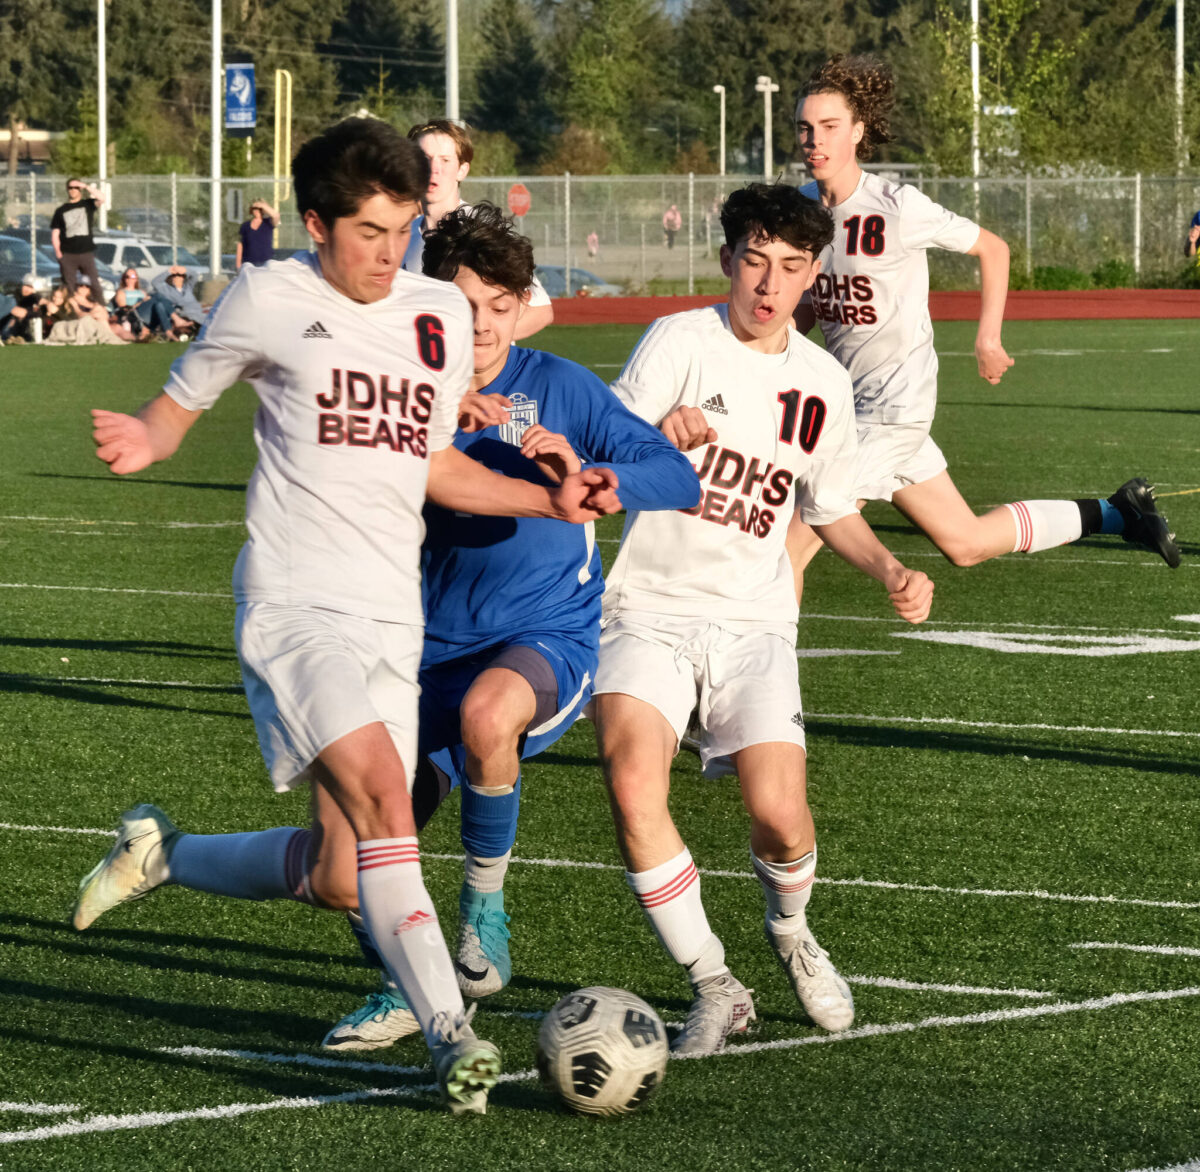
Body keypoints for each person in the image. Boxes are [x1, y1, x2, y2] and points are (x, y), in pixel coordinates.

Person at [70, 117, 622, 1115]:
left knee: (339, 870)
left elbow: (437, 464)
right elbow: (177, 403)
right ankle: (450, 1031)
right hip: (293, 598)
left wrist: (551, 497)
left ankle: (164, 851)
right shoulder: (269, 295)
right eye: (368, 229)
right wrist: (146, 438)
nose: (389, 251)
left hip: (389, 616)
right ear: (317, 222)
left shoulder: (434, 313)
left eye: (404, 227)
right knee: (382, 794)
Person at [320, 203, 700, 1050]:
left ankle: (482, 913)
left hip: (543, 637)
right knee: (345, 866)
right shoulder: (397, 384)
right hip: (418, 648)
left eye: (502, 304)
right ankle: (408, 989)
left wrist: (598, 474)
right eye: (465, 306)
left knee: (490, 714)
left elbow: (677, 477)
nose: (484, 325)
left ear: (523, 303)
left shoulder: (561, 384)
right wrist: (420, 437)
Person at [591, 183, 934, 1057]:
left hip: (754, 622)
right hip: (649, 610)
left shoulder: (822, 382)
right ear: (727, 262)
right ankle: (714, 982)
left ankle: (791, 934)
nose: (768, 284)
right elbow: (605, 450)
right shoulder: (681, 340)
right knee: (635, 786)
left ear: (812, 275)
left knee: (781, 818)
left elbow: (828, 507)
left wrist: (888, 563)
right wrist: (656, 440)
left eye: (790, 267)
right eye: (755, 261)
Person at [784, 54, 1179, 603]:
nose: (814, 140)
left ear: (858, 131)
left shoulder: (896, 206)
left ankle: (756, 683)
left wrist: (987, 338)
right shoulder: (799, 209)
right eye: (805, 127)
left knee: (791, 543)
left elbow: (993, 248)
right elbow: (807, 306)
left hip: (892, 410)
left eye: (829, 127)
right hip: (846, 405)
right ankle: (1118, 513)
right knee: (966, 541)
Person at [402, 119, 554, 338]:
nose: (433, 169)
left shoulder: (484, 228)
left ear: (462, 170)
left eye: (445, 160)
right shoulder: (404, 235)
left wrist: (471, 351)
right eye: (424, 159)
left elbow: (541, 311)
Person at [50, 177, 106, 294]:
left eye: (76, 187)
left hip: (86, 252)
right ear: (67, 189)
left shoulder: (87, 204)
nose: (73, 190)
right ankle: (71, 310)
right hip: (68, 254)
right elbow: (55, 233)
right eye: (70, 188)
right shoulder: (61, 210)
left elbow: (102, 198)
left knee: (94, 283)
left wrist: (85, 186)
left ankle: (99, 308)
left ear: (80, 189)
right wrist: (59, 254)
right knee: (69, 285)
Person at [150, 266, 207, 339]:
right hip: (184, 313)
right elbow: (155, 282)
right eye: (174, 276)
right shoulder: (166, 290)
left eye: (181, 276)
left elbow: (195, 275)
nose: (178, 277)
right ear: (171, 277)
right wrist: (169, 272)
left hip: (198, 311)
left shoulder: (188, 287)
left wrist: (185, 270)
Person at [0, 277, 48, 343]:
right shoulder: (16, 297)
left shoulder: (37, 301)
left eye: (30, 287)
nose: (26, 289)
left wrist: (8, 307)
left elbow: (25, 313)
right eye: (25, 285)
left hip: (25, 332)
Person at [237, 198, 280, 269]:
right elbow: (240, 245)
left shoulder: (268, 223)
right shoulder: (245, 226)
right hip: (248, 264)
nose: (256, 211)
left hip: (266, 264)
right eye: (254, 208)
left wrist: (263, 205)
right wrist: (238, 265)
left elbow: (276, 215)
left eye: (259, 209)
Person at [111, 268, 152, 341]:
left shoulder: (142, 292)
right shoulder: (121, 292)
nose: (130, 279)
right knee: (155, 299)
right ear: (124, 278)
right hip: (133, 314)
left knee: (158, 300)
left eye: (133, 277)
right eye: (127, 277)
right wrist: (141, 302)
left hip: (147, 313)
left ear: (136, 278)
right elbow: (124, 308)